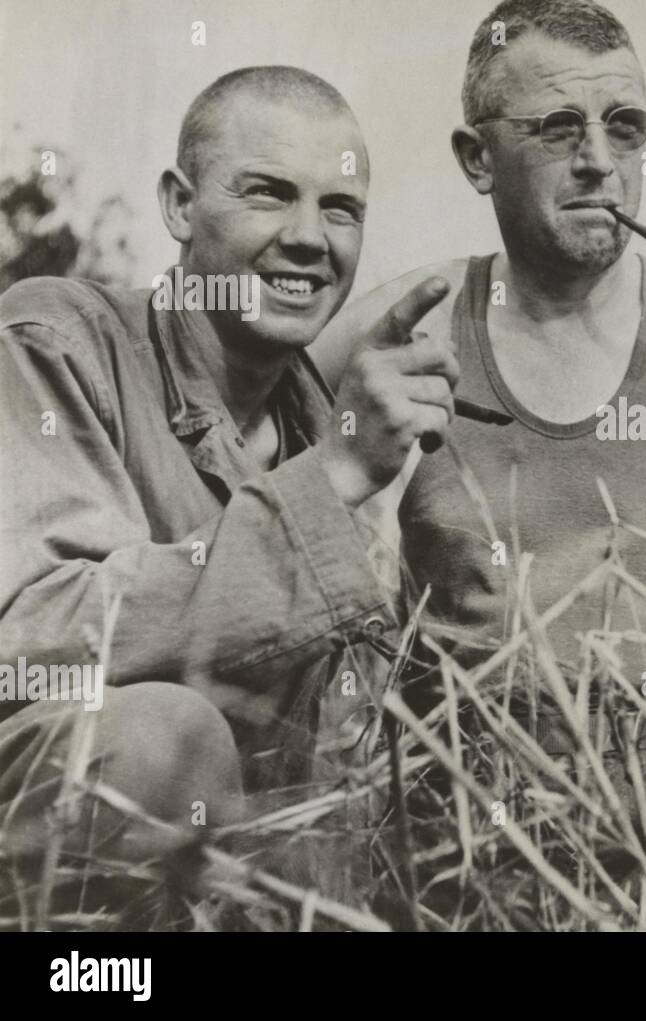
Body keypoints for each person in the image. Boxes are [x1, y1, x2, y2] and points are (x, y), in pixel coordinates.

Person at [311, 0, 646, 929]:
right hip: (462, 852)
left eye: (625, 127)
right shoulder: (400, 327)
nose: (600, 159)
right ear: (477, 158)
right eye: (559, 129)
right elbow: (294, 563)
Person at [0, 66, 459, 921]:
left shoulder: (325, 424)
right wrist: (333, 481)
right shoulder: (53, 339)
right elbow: (33, 631)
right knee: (162, 740)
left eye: (341, 208)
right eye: (268, 193)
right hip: (47, 852)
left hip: (216, 881)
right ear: (180, 205)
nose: (309, 238)